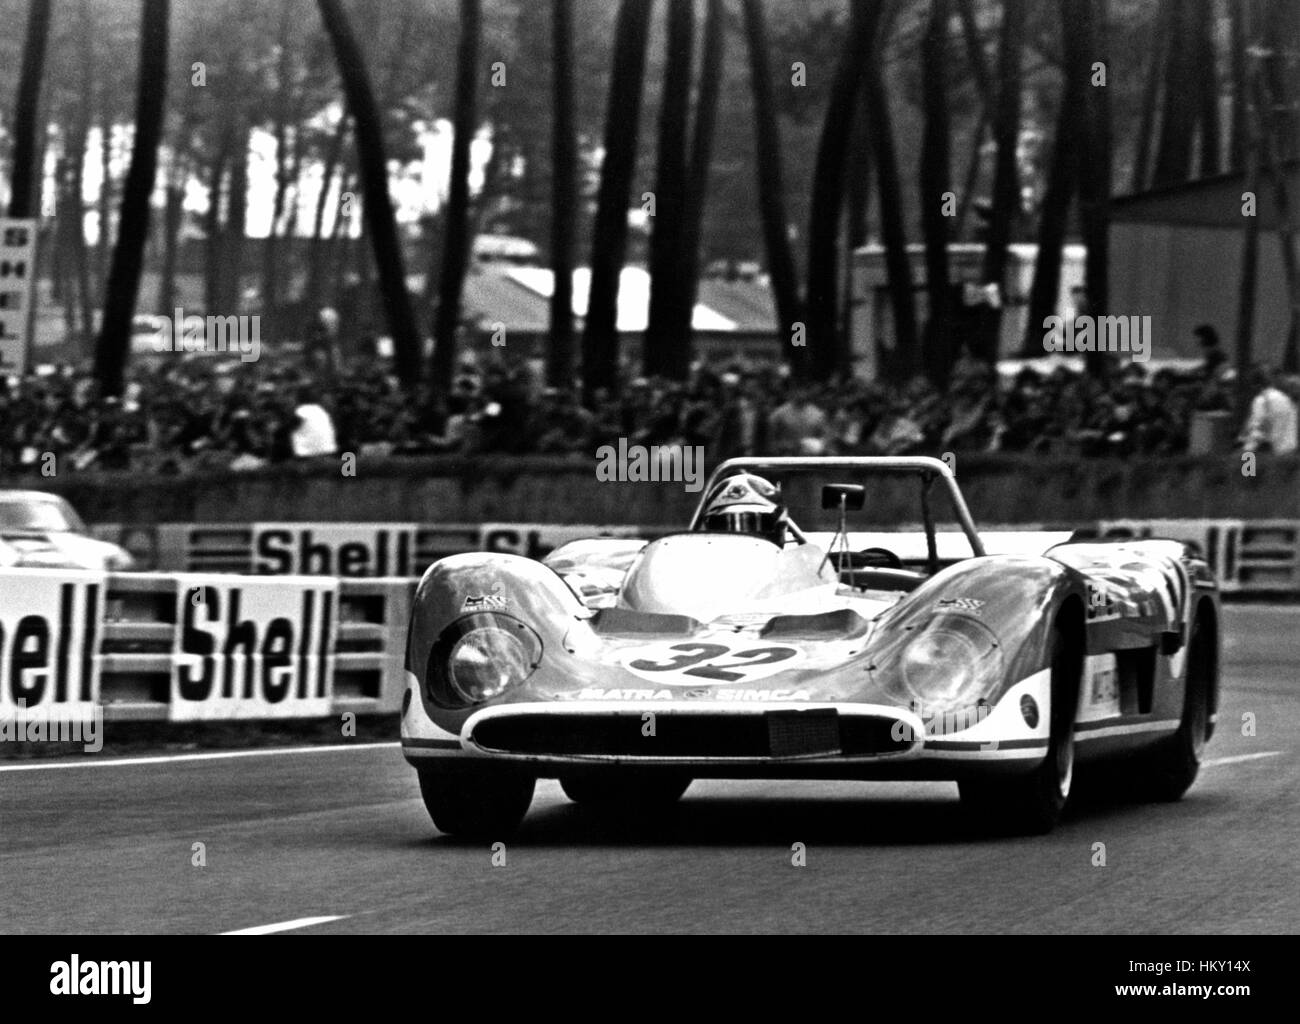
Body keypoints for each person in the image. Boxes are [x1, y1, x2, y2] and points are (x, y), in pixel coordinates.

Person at [698, 473, 791, 546]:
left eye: (753, 525)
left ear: (779, 529)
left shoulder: (797, 558)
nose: (742, 540)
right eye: (724, 525)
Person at [1240, 366, 1299, 455]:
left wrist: (1245, 458)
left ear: (1255, 385)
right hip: (1291, 455)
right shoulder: (1286, 399)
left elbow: (1256, 432)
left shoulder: (1261, 400)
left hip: (1273, 456)